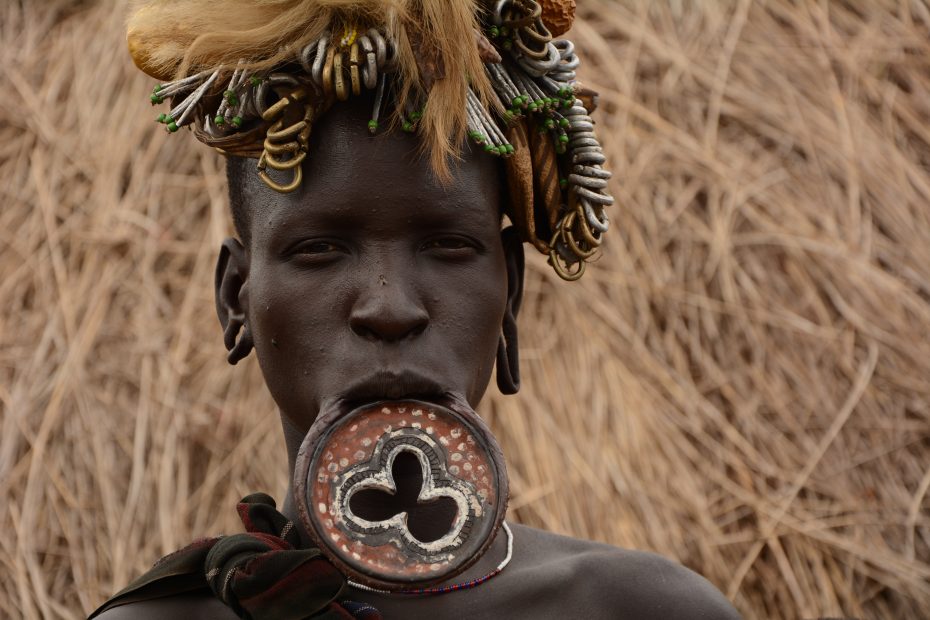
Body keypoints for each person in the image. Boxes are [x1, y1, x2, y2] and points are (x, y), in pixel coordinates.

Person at [91, 1, 742, 618]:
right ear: (236, 299)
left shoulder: (642, 610)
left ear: (510, 293)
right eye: (319, 249)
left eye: (447, 245)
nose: (390, 306)